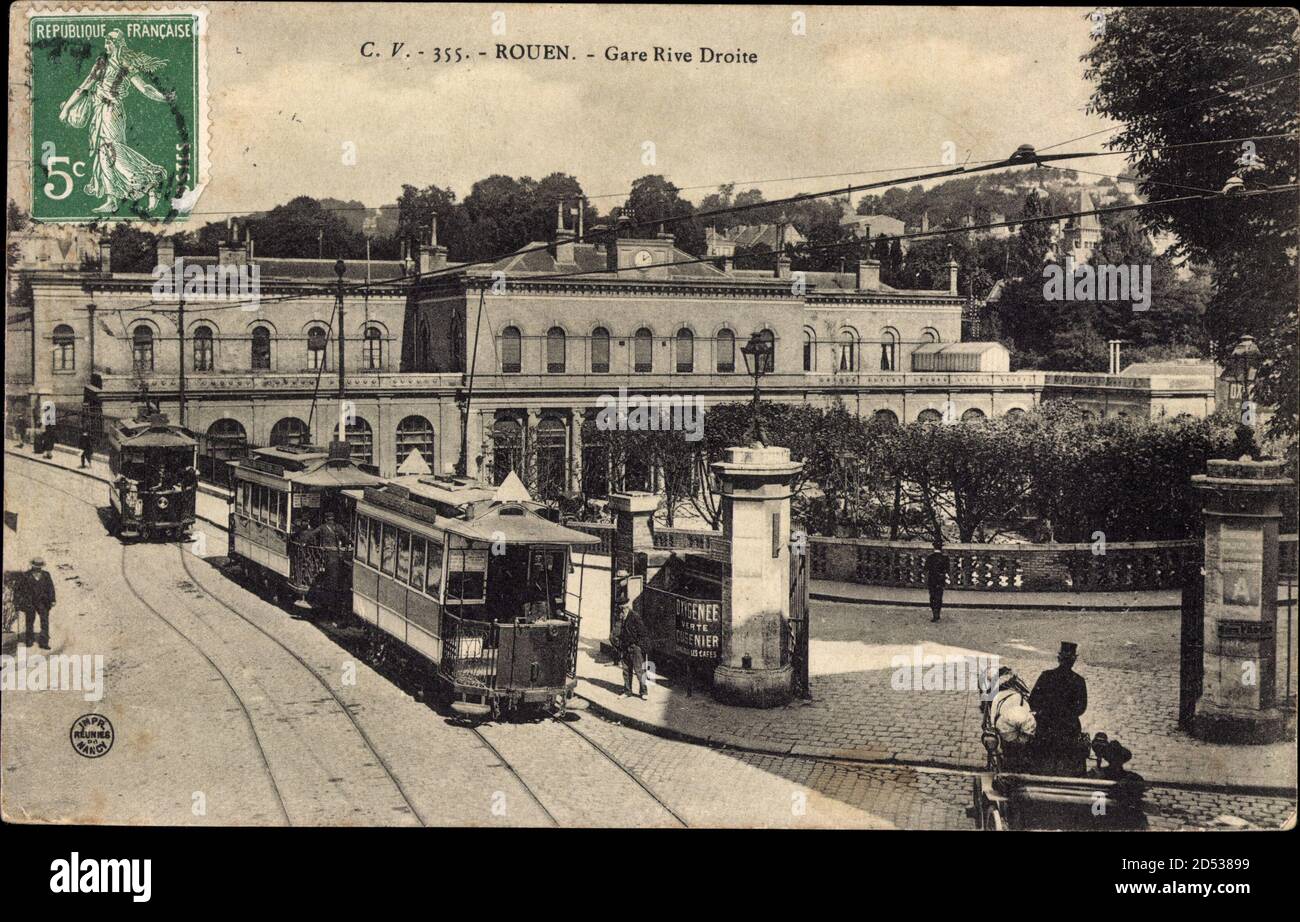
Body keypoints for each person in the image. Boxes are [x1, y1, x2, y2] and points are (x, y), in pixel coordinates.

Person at [1029, 642, 1089, 775]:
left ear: (1059, 659)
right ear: (1073, 661)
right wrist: (1067, 715)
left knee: (1041, 761)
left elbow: (1032, 701)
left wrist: (1045, 711)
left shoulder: (1046, 676)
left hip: (1045, 727)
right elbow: (1082, 708)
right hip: (1069, 729)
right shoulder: (1079, 681)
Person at [17, 558, 56, 650]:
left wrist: (52, 600)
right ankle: (29, 640)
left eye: (40, 567)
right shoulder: (26, 575)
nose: (38, 569)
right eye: (36, 567)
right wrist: (20, 602)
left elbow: (51, 588)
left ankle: (44, 643)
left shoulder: (46, 575)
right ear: (32, 566)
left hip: (43, 602)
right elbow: (20, 590)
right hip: (30, 602)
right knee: (29, 621)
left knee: (45, 622)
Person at [618, 600, 649, 699]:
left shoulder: (635, 617)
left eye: (622, 609)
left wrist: (638, 646)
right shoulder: (622, 618)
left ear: (626, 608)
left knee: (639, 670)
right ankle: (627, 691)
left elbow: (643, 633)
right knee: (626, 670)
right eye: (620, 610)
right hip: (626, 647)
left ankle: (644, 692)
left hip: (635, 647)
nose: (621, 612)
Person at [924, 539, 948, 622]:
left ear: (933, 547)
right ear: (941, 548)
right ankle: (938, 613)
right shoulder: (945, 558)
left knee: (932, 596)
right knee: (939, 597)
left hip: (932, 580)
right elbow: (948, 570)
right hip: (940, 580)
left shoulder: (930, 558)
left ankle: (934, 613)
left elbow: (926, 569)